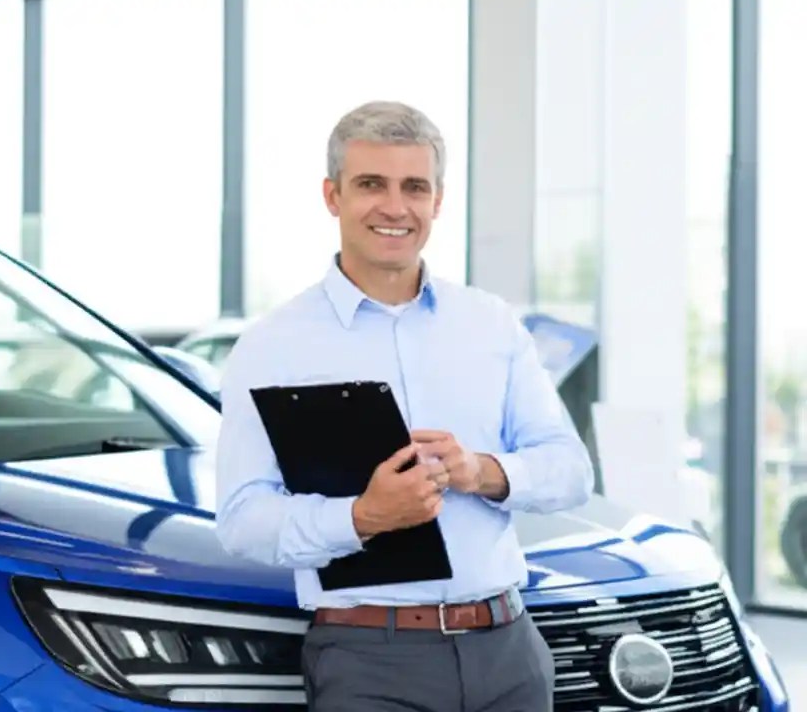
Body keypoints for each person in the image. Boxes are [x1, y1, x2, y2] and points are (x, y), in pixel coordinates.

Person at [214, 100, 594, 712]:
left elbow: (571, 470)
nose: (395, 207)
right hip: (370, 662)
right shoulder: (272, 347)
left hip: (510, 654)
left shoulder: (491, 325)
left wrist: (483, 471)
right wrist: (362, 517)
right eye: (371, 185)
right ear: (332, 195)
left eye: (414, 187)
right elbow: (241, 518)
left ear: (437, 201)